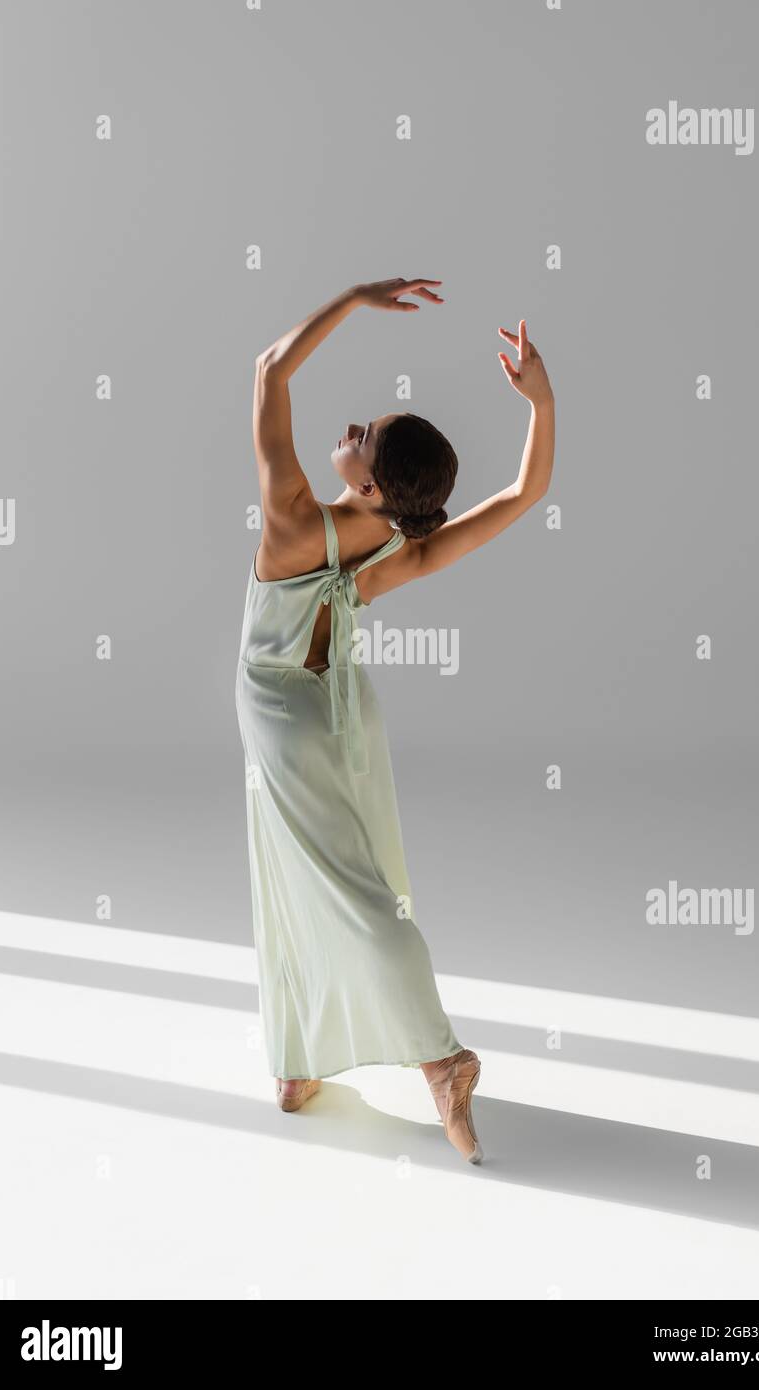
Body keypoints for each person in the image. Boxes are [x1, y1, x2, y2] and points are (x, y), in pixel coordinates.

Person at [235, 278, 555, 1164]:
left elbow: (268, 370)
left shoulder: (295, 521)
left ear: (370, 483)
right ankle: (303, 1059)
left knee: (343, 887)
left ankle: (440, 1058)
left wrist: (350, 298)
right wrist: (542, 401)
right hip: (346, 711)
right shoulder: (399, 544)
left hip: (282, 714)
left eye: (360, 437)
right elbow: (523, 494)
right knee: (328, 873)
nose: (349, 430)